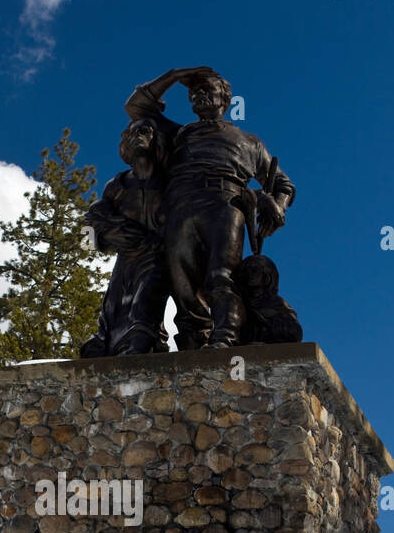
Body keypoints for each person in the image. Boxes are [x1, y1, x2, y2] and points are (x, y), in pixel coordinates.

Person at [124, 66, 295, 349]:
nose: (199, 95)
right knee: (182, 282)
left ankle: (225, 337)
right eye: (194, 91)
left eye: (207, 90)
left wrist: (276, 205)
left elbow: (283, 184)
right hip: (180, 205)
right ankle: (194, 339)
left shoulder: (248, 142)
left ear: (224, 99)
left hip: (226, 204)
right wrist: (174, 76)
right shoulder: (179, 134)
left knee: (221, 275)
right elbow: (137, 107)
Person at [80, 116, 171, 358]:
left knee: (146, 297)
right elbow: (89, 227)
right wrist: (109, 235)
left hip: (159, 255)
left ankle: (141, 341)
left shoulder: (170, 182)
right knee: (113, 304)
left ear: (156, 140)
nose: (138, 136)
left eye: (145, 131)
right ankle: (106, 343)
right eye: (132, 132)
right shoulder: (118, 185)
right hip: (126, 255)